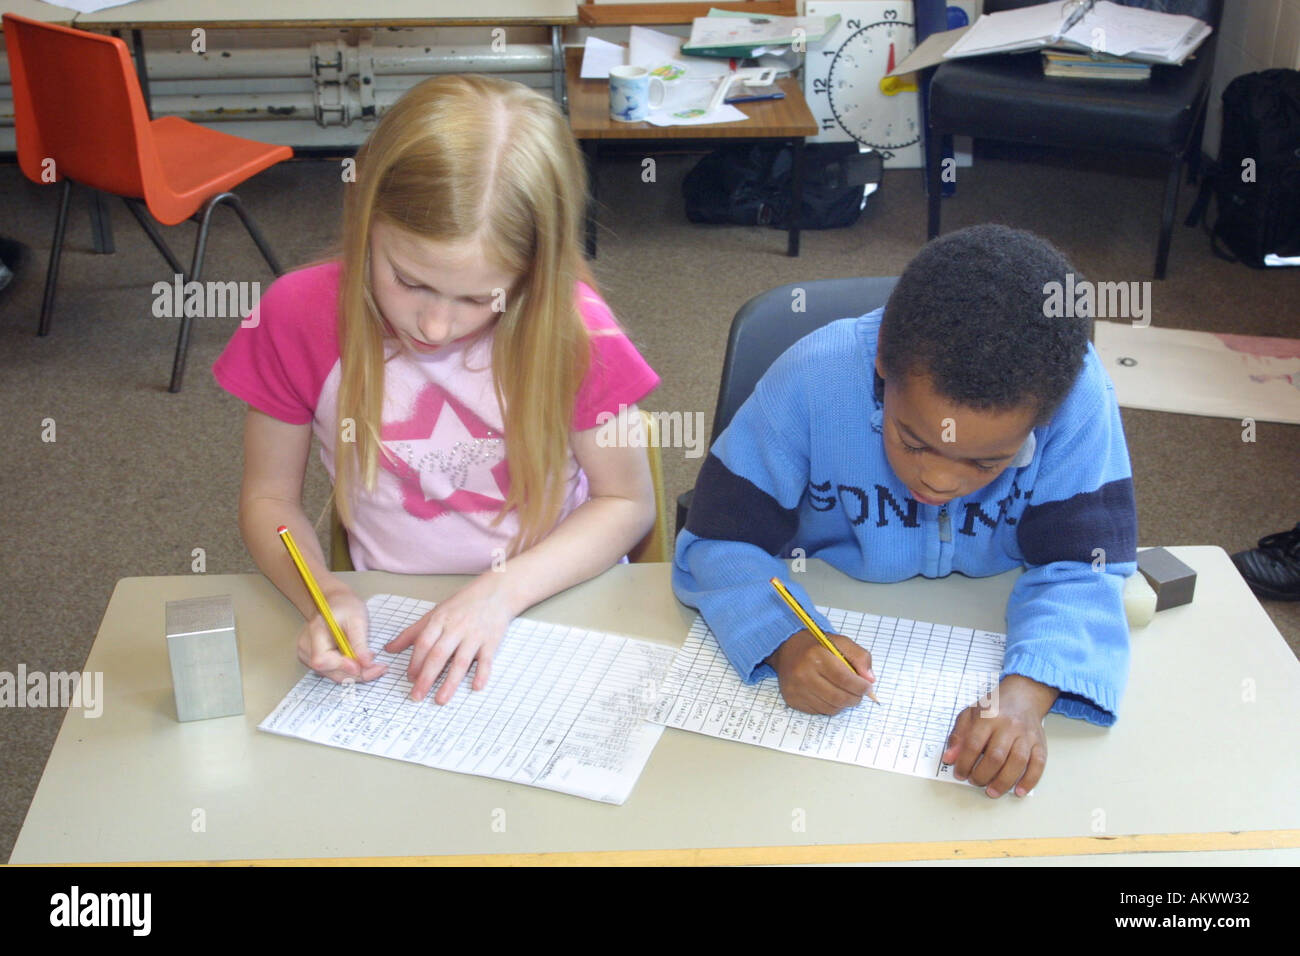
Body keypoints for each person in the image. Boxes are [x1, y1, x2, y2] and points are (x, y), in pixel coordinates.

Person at [215, 75, 660, 705]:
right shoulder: (297, 317)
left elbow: (625, 503)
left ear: (538, 269)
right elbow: (269, 499)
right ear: (366, 219)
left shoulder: (576, 332)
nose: (435, 324)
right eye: (409, 279)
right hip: (391, 615)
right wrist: (324, 593)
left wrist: (500, 593)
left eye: (480, 297)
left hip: (552, 596)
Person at [673, 224, 1137, 798]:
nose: (938, 481)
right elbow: (717, 542)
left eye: (988, 462)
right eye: (913, 441)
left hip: (989, 609)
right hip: (830, 595)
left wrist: (1028, 691)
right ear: (882, 359)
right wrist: (785, 638)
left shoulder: (1077, 398)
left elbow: (1086, 565)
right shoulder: (811, 379)